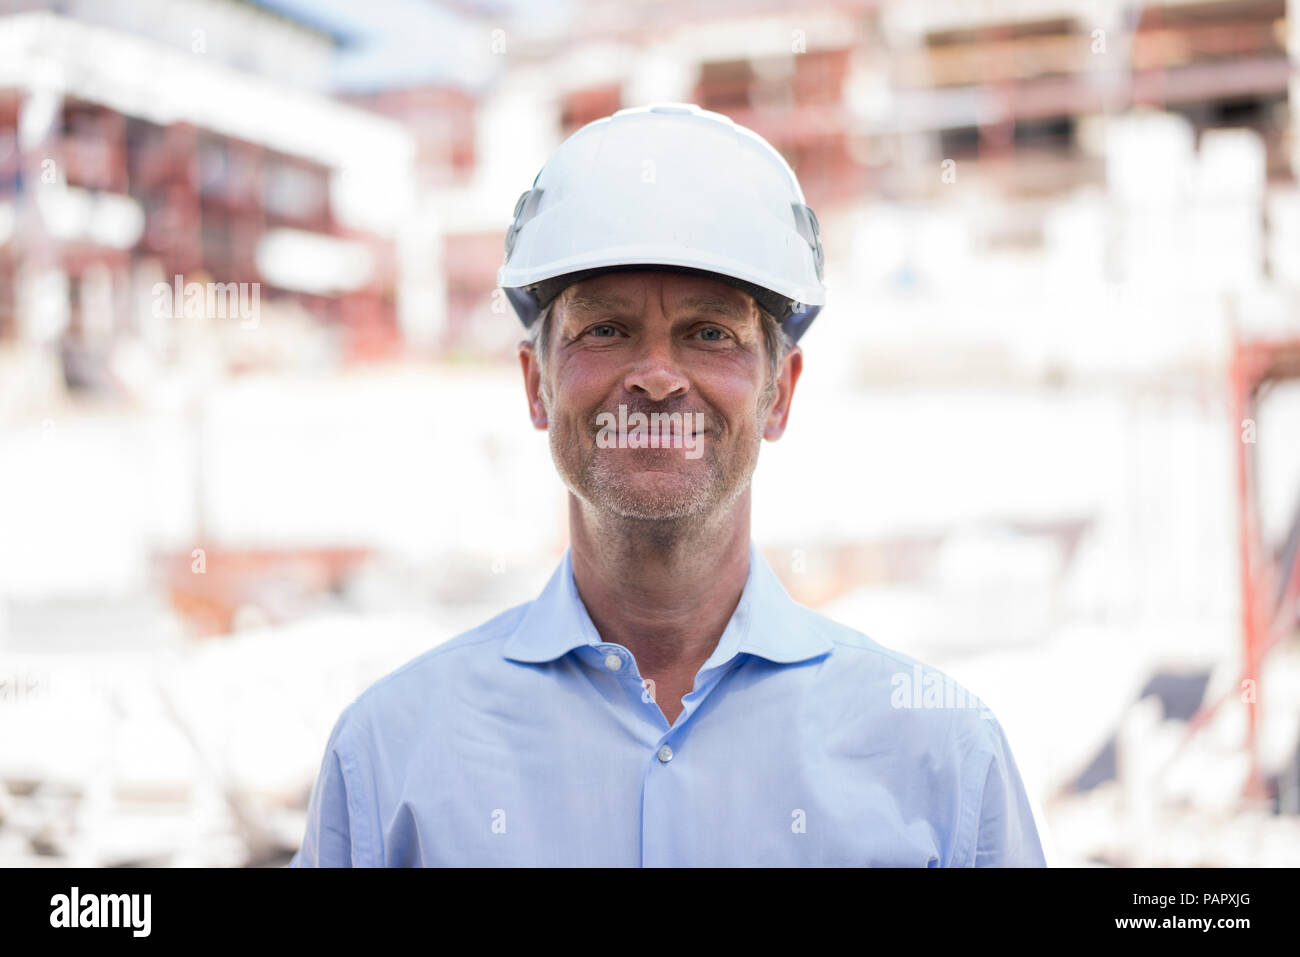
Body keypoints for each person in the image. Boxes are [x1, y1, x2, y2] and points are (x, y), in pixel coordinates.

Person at [290, 103, 1047, 867]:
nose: (655, 377)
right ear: (536, 385)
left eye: (710, 332)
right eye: (606, 329)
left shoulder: (941, 761)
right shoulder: (389, 762)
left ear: (779, 391)